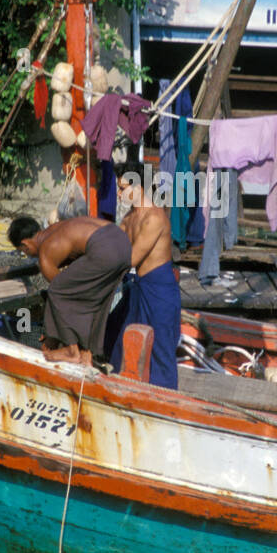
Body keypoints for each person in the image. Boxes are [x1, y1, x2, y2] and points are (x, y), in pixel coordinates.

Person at [8, 214, 132, 368]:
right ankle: (88, 352)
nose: (27, 255)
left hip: (105, 249)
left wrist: (51, 336)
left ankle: (72, 351)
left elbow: (65, 295)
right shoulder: (54, 229)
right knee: (95, 298)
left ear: (25, 244)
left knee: (58, 292)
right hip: (123, 243)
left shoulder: (45, 253)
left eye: (23, 252)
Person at [106, 160, 181, 389]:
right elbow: (112, 249)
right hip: (138, 288)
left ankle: (167, 402)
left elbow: (130, 259)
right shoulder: (129, 218)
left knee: (160, 350)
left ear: (138, 187)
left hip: (159, 290)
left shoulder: (154, 217)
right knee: (117, 339)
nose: (118, 194)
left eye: (123, 188)